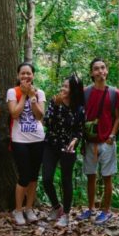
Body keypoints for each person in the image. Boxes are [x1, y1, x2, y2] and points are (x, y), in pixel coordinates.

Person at [80, 58, 119, 225]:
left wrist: (112, 135)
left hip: (107, 141)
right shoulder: (86, 92)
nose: (100, 71)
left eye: (103, 68)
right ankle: (90, 208)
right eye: (96, 69)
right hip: (90, 141)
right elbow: (81, 115)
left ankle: (106, 211)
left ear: (107, 70)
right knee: (90, 176)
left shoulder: (114, 93)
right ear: (91, 73)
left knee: (107, 177)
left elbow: (118, 117)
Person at [42, 75, 85, 227]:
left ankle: (66, 214)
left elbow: (79, 130)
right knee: (46, 179)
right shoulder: (55, 102)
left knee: (66, 180)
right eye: (63, 85)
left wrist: (75, 141)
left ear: (74, 90)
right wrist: (56, 106)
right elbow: (46, 122)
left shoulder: (79, 107)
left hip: (68, 147)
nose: (63, 89)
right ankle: (56, 207)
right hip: (51, 144)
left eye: (66, 87)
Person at [7, 62, 46, 225]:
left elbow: (39, 116)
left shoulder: (39, 92)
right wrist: (23, 95)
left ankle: (29, 208)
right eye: (22, 73)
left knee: (33, 177)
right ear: (18, 76)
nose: (25, 76)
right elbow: (14, 113)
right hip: (20, 140)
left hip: (37, 138)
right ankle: (18, 210)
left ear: (33, 75)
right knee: (24, 176)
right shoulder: (12, 92)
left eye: (28, 73)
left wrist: (32, 97)